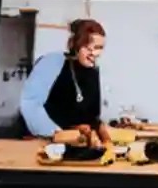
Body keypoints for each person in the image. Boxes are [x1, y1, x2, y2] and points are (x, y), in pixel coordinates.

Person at [19, 18, 112, 147]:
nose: (94, 54)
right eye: (87, 48)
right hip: (40, 142)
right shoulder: (52, 62)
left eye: (98, 48)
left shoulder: (93, 71)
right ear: (75, 44)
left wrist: (105, 136)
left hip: (75, 144)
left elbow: (92, 116)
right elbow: (30, 105)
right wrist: (61, 134)